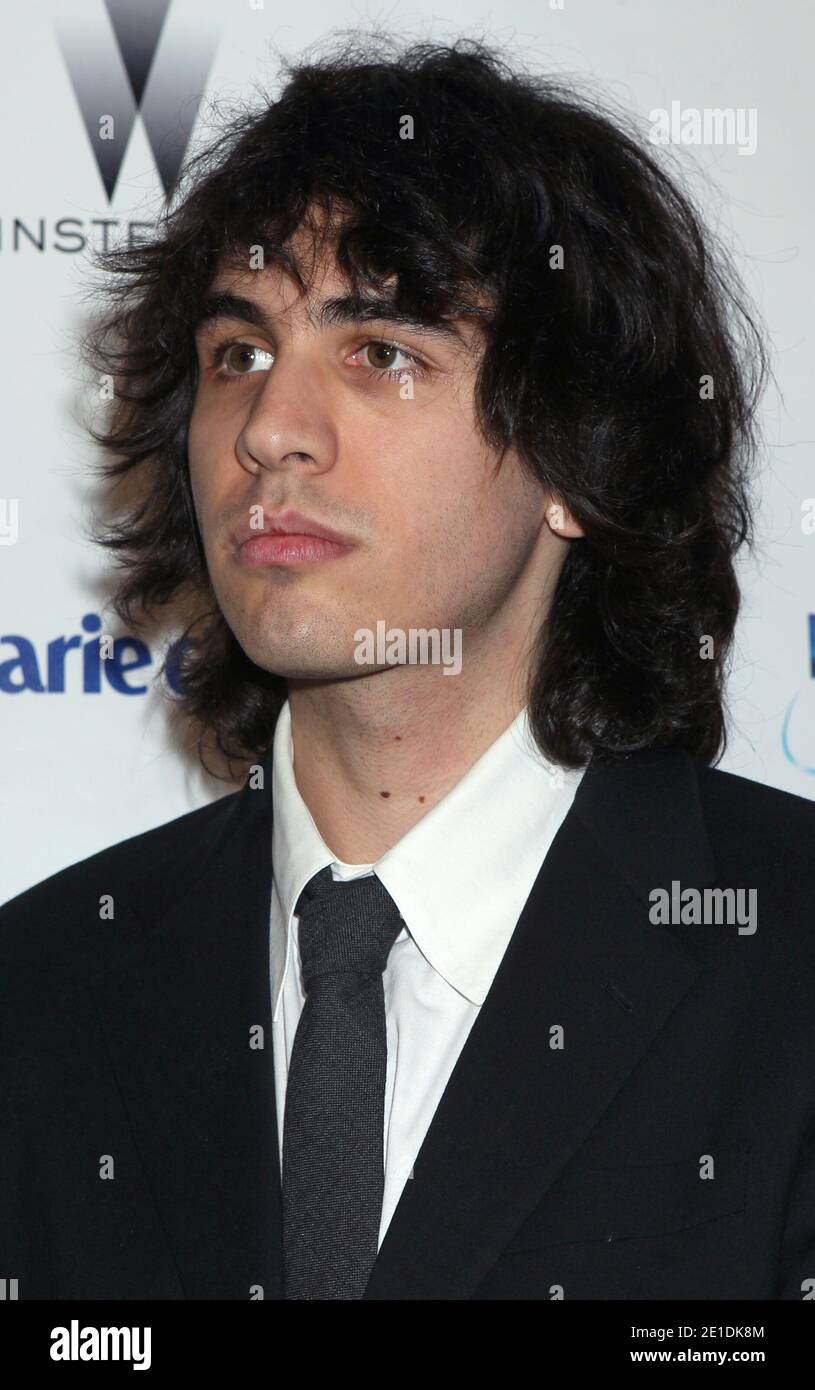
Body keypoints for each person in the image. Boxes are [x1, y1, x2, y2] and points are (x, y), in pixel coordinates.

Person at [2, 34, 814, 1302]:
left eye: (380, 352)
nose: (269, 427)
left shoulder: (786, 957)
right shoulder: (43, 989)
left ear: (575, 461)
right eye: (238, 353)